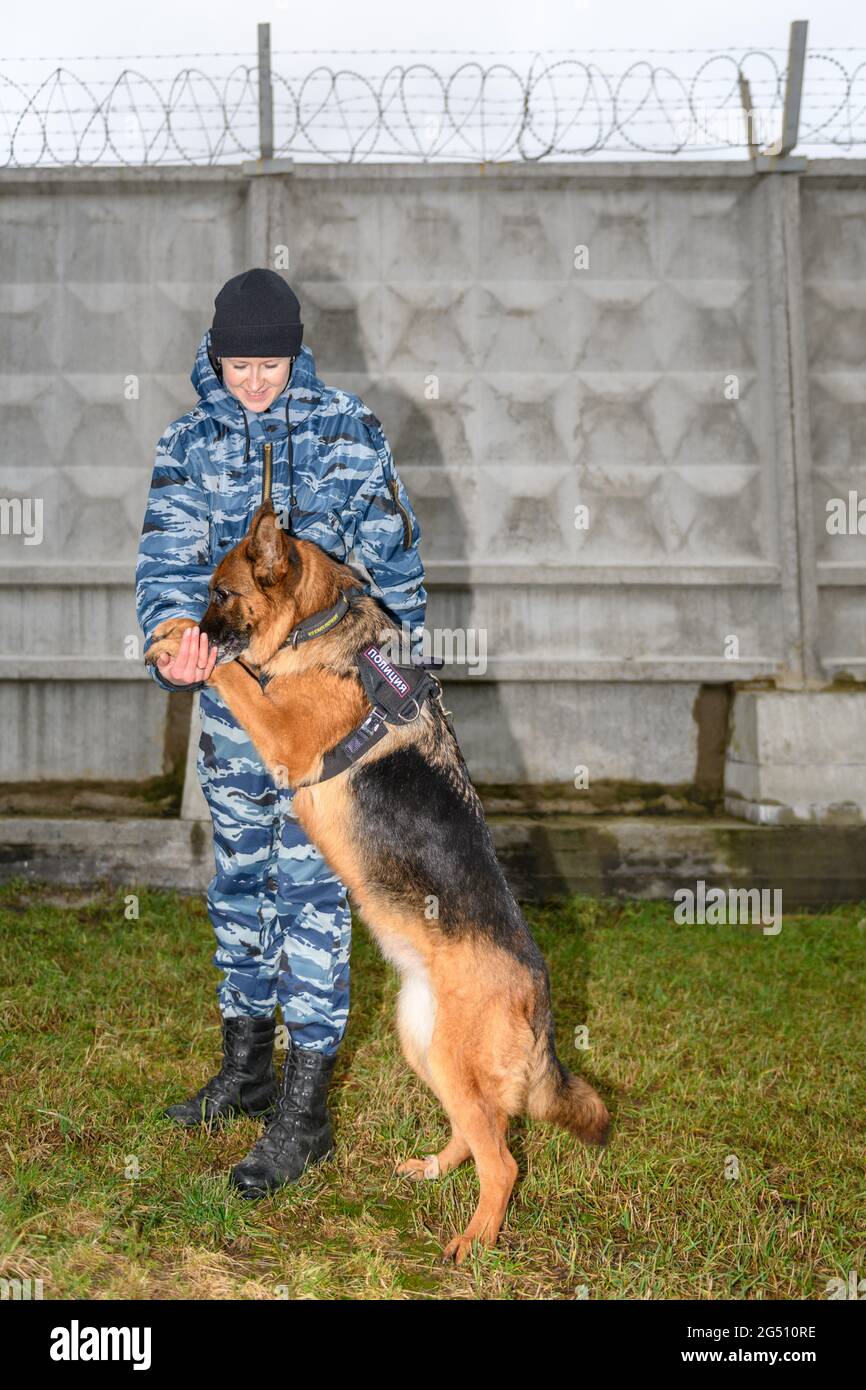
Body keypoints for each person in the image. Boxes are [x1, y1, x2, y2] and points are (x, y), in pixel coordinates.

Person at [135, 268, 427, 1197]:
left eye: (269, 361)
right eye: (237, 362)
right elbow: (168, 567)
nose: (253, 380)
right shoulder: (188, 441)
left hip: (331, 721)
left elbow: (396, 570)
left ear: (297, 352)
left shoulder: (350, 429)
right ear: (213, 354)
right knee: (242, 885)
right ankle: (248, 1066)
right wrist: (169, 638)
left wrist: (396, 693)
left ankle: (305, 1114)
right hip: (233, 716)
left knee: (310, 895)